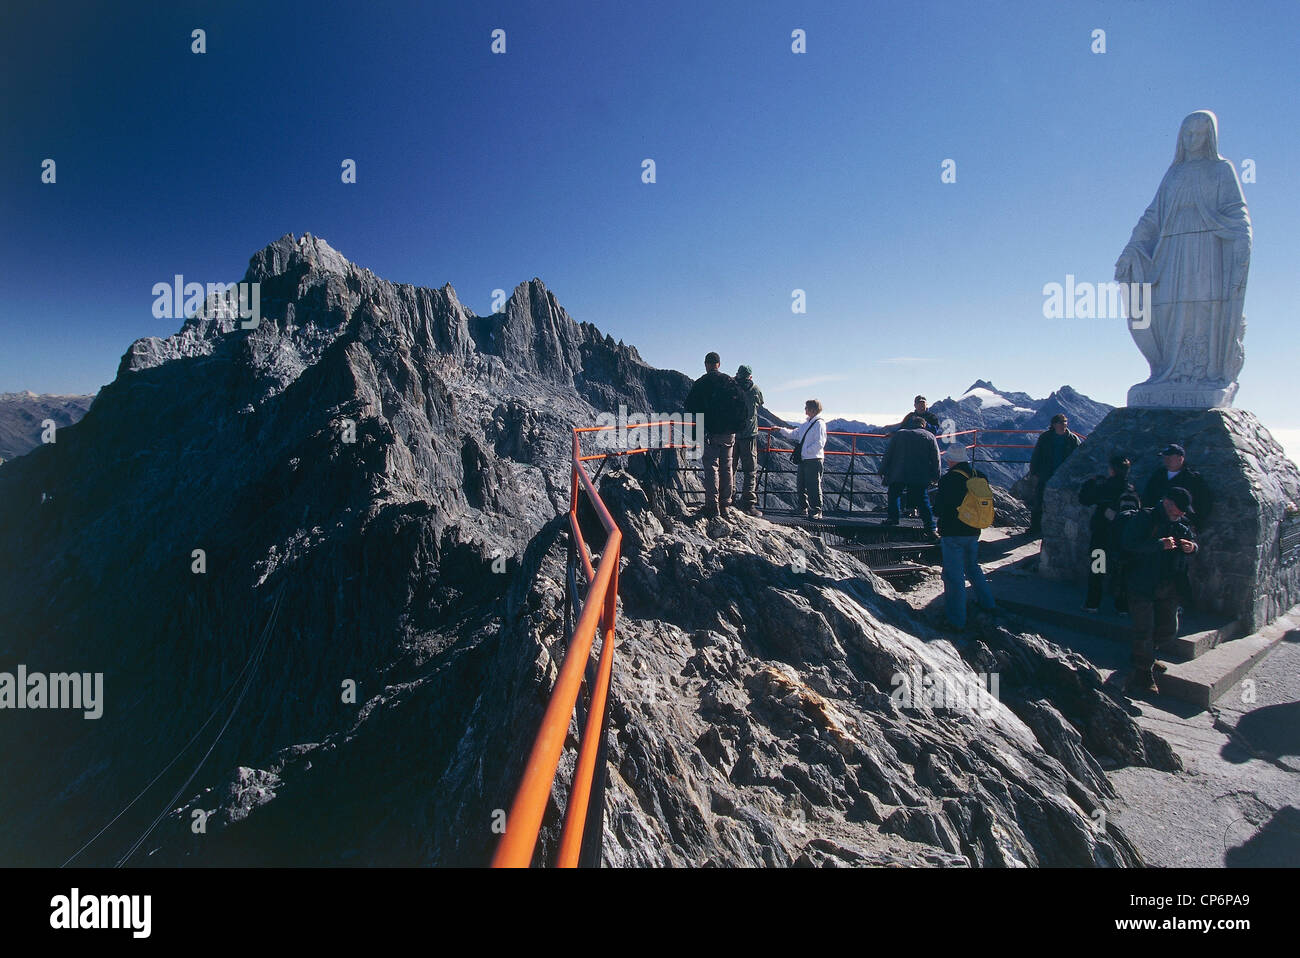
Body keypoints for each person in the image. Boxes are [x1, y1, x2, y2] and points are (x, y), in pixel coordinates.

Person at [1119, 487, 1199, 694]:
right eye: (1178, 509)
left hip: (1169, 584)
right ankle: (1143, 674)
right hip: (1141, 583)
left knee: (1168, 628)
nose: (1181, 513)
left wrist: (1192, 547)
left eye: (1183, 511)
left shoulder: (1180, 523)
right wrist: (1158, 545)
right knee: (1144, 629)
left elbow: (1192, 540)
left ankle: (1146, 656)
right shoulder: (1145, 518)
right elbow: (1128, 544)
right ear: (1168, 502)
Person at [935, 444, 998, 630]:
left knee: (954, 576)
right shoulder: (980, 476)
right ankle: (988, 604)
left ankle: (956, 620)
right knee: (972, 568)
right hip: (974, 530)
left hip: (953, 532)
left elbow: (940, 508)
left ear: (951, 460)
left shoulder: (948, 480)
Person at [685, 351, 747, 519]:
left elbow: (690, 407)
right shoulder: (730, 381)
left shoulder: (702, 383)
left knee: (711, 467)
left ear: (706, 364)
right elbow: (742, 404)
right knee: (727, 467)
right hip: (729, 433)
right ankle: (725, 505)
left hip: (711, 432)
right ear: (719, 364)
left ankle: (712, 506)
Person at [1078, 455, 1141, 614]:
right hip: (1123, 538)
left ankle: (1092, 604)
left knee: (1097, 570)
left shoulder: (1104, 487)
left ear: (1112, 470)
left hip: (1102, 535)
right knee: (1121, 571)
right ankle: (1122, 607)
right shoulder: (1131, 490)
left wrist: (1091, 482)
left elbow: (1084, 499)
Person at [880, 414, 940, 539]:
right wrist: (936, 475)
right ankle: (930, 527)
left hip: (899, 472)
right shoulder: (929, 436)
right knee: (923, 500)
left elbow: (888, 453)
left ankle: (893, 518)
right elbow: (936, 458)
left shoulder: (900, 434)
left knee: (894, 494)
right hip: (919, 474)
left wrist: (882, 469)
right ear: (923, 425)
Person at [1028, 413, 1083, 535]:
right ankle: (1035, 528)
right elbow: (1037, 455)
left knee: (1062, 503)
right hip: (1046, 474)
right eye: (1061, 422)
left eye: (1065, 422)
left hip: (1064, 476)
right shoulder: (1045, 437)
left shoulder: (1073, 439)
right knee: (1039, 500)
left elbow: (1078, 457)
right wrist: (1034, 472)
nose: (1063, 424)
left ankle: (1056, 530)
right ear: (1054, 424)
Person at [1142, 444, 1214, 532]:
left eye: (1169, 458)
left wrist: (1196, 523)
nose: (1166, 461)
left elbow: (1204, 502)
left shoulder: (1192, 478)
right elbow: (1147, 496)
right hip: (1156, 523)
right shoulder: (1158, 475)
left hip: (1181, 526)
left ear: (1180, 458)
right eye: (1164, 458)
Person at [777, 400, 827, 519]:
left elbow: (820, 442)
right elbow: (795, 433)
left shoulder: (819, 424)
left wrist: (805, 451)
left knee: (813, 485)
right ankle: (802, 507)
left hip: (814, 459)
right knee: (801, 484)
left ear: (813, 409)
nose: (805, 410)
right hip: (806, 458)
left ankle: (816, 509)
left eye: (807, 408)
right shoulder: (807, 423)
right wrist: (780, 429)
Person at [731, 364, 764, 516]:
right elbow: (760, 404)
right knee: (750, 470)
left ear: (738, 374)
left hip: (731, 433)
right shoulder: (755, 390)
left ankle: (728, 498)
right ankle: (748, 503)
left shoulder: (731, 387)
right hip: (749, 434)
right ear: (750, 377)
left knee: (729, 467)